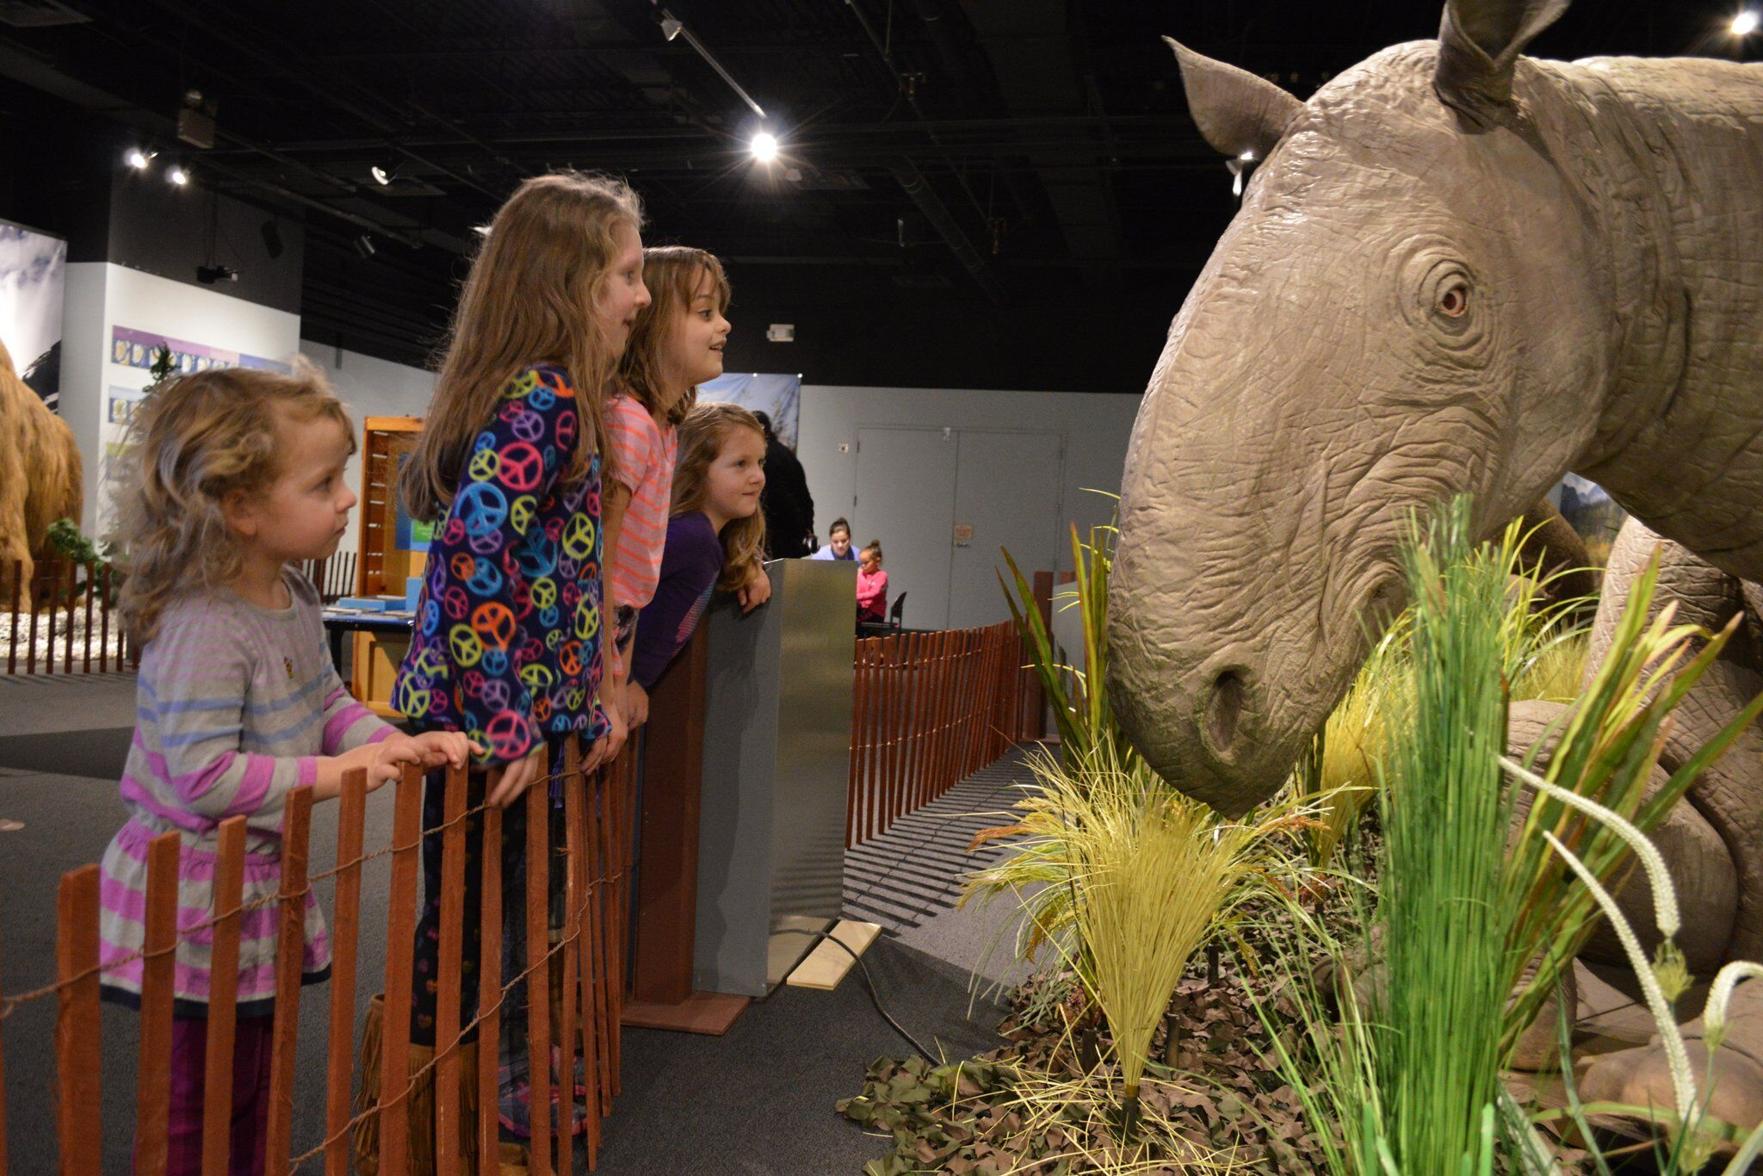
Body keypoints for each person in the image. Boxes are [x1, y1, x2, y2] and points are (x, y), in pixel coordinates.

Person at [96, 366, 473, 1175]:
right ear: (239, 508)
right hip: (193, 892)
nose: (346, 499)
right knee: (195, 1096)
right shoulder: (204, 623)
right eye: (323, 482)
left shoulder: (295, 595)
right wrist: (347, 774)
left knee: (252, 1082)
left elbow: (328, 703)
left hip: (255, 880)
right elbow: (202, 778)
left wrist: (391, 739)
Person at [390, 171, 647, 1160]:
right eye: (625, 275)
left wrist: (569, 702)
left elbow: (531, 569)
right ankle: (473, 1089)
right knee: (487, 915)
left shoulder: (543, 395)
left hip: (503, 717)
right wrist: (508, 722)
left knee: (488, 908)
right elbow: (476, 551)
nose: (637, 297)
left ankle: (476, 1082)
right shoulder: (542, 396)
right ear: (566, 283)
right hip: (488, 727)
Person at [604, 246, 768, 729]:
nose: (725, 326)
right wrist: (609, 691)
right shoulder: (630, 426)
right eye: (704, 312)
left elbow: (630, 590)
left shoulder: (664, 429)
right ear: (651, 322)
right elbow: (601, 571)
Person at [631, 403, 769, 691]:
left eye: (760, 462)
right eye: (740, 463)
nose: (758, 476)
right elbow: (620, 597)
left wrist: (748, 562)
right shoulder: (691, 536)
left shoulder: (704, 538)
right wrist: (629, 683)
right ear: (696, 469)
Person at [752, 409, 815, 559]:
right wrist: (805, 528)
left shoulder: (766, 456)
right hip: (792, 535)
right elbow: (805, 499)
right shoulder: (786, 454)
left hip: (775, 536)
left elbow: (778, 496)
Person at [857, 539, 888, 625]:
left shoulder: (882, 575)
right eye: (861, 563)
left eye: (866, 563)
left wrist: (856, 596)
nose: (863, 566)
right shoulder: (861, 574)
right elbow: (857, 589)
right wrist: (858, 575)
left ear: (877, 561)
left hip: (875, 613)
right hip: (863, 610)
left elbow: (874, 593)